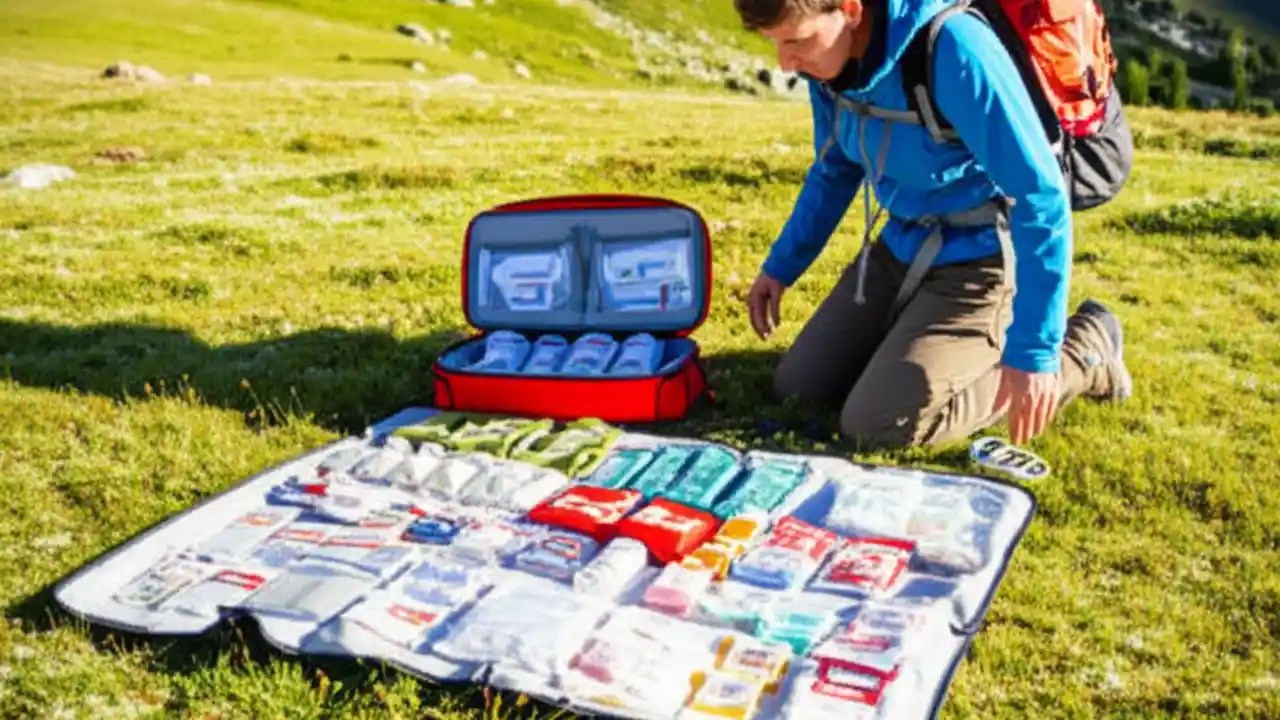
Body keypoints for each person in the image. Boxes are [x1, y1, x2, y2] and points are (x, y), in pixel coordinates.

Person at [736, 0, 1133, 449]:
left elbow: (1040, 198)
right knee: (799, 387)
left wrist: (1036, 352)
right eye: (776, 45)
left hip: (981, 261)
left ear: (848, 9)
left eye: (796, 41)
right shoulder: (828, 71)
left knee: (876, 424)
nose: (786, 63)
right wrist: (781, 267)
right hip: (897, 248)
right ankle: (910, 344)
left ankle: (1085, 350)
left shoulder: (953, 49)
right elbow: (835, 167)